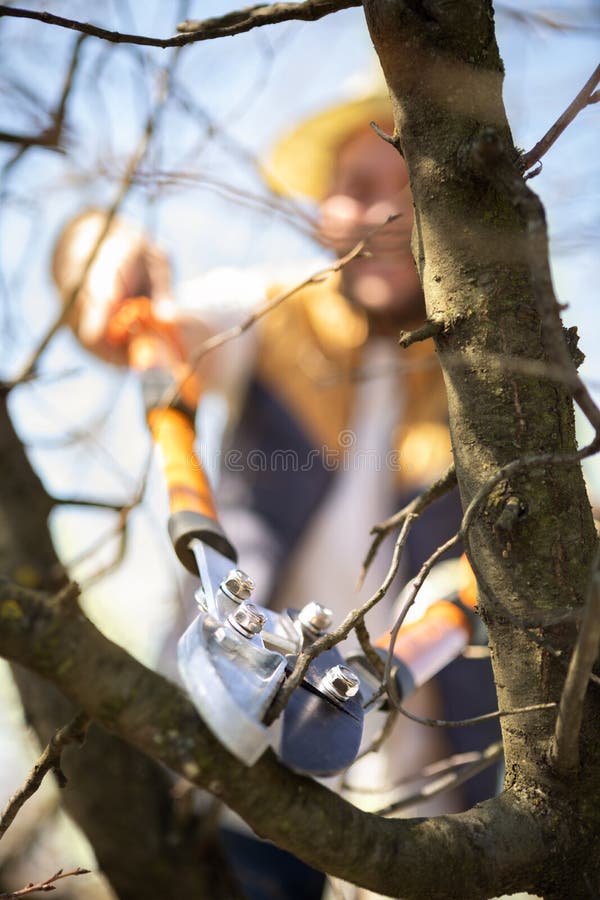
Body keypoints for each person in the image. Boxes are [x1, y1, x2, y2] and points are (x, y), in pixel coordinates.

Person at [52, 80, 500, 900]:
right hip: (230, 780)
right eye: (360, 189)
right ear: (320, 206)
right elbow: (150, 330)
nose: (382, 217)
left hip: (421, 811)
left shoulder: (484, 389)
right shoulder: (272, 311)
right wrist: (96, 254)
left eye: (412, 194)